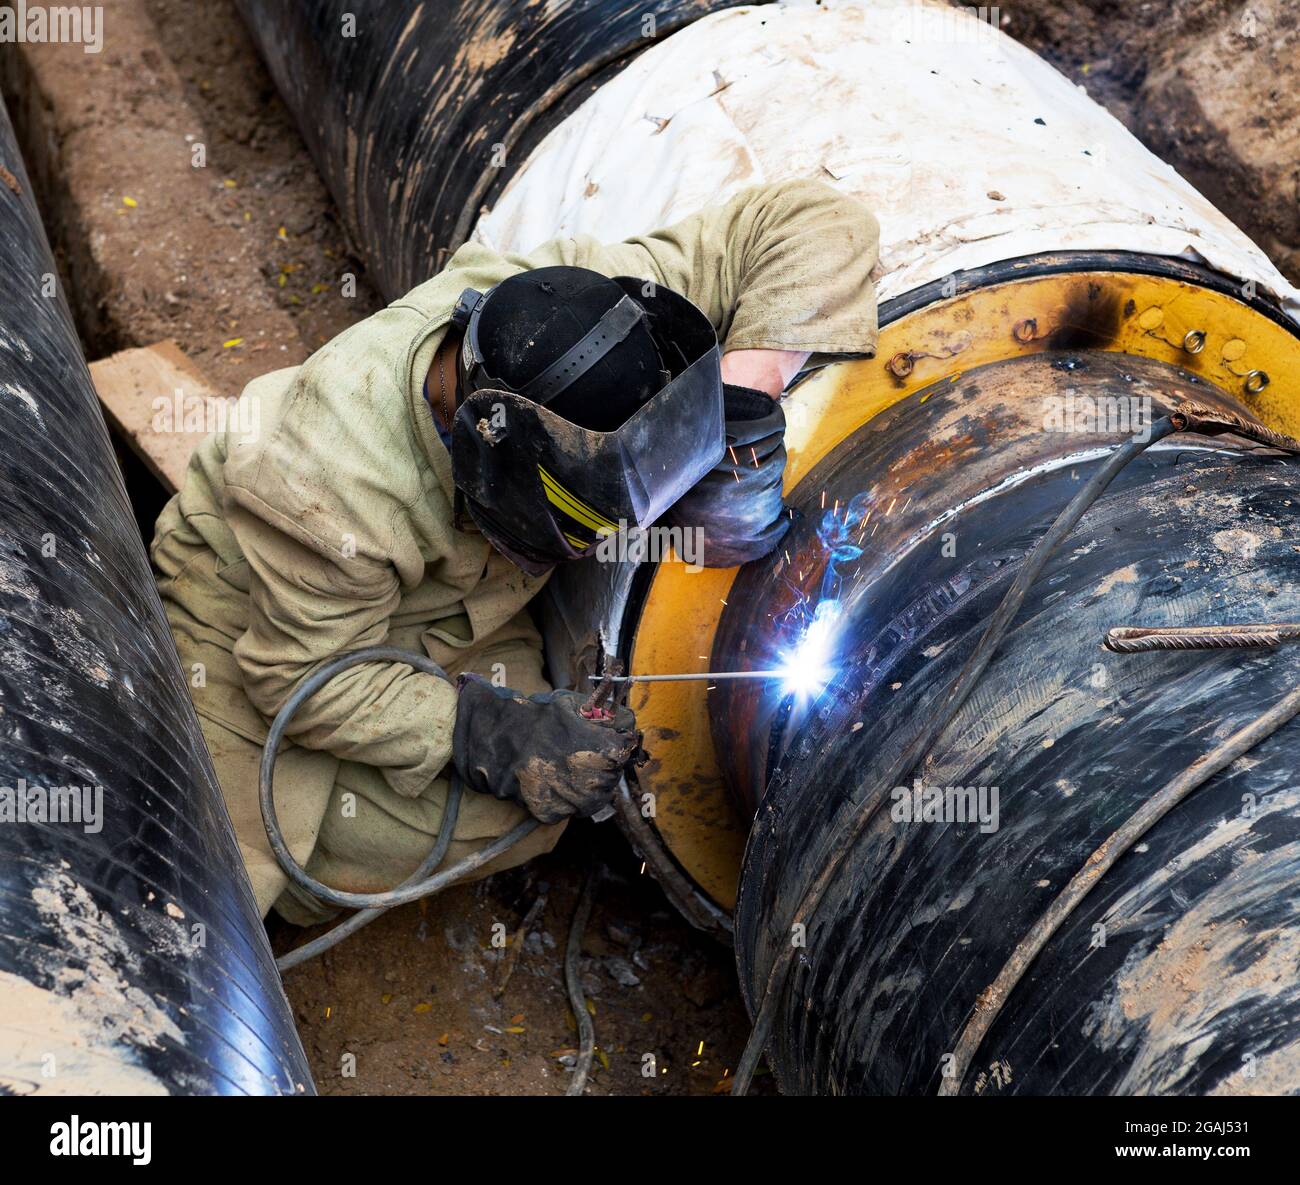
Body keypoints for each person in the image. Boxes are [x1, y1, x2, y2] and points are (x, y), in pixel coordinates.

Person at [151, 178, 880, 925]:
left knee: (529, 812)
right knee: (236, 873)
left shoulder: (593, 314)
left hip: (446, 598)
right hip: (266, 614)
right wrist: (488, 731)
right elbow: (298, 674)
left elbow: (819, 219)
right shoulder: (328, 482)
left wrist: (741, 402)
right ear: (489, 464)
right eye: (579, 524)